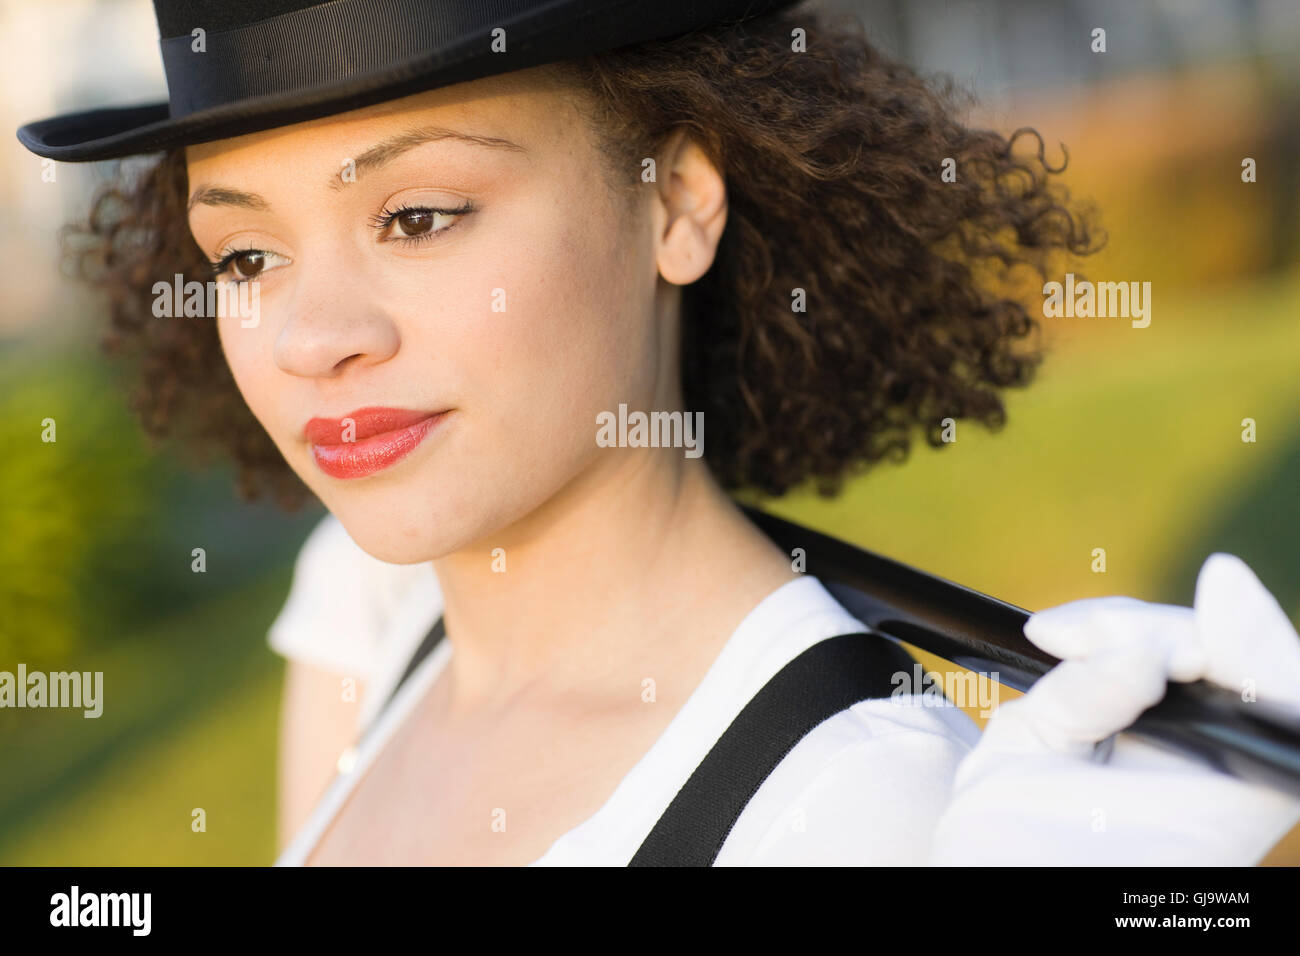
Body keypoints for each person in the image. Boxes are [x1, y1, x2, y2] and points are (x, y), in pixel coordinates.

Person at [18, 0, 1300, 865]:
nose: (311, 337)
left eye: (418, 215)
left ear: (677, 203)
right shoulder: (371, 615)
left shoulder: (847, 808)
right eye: (246, 249)